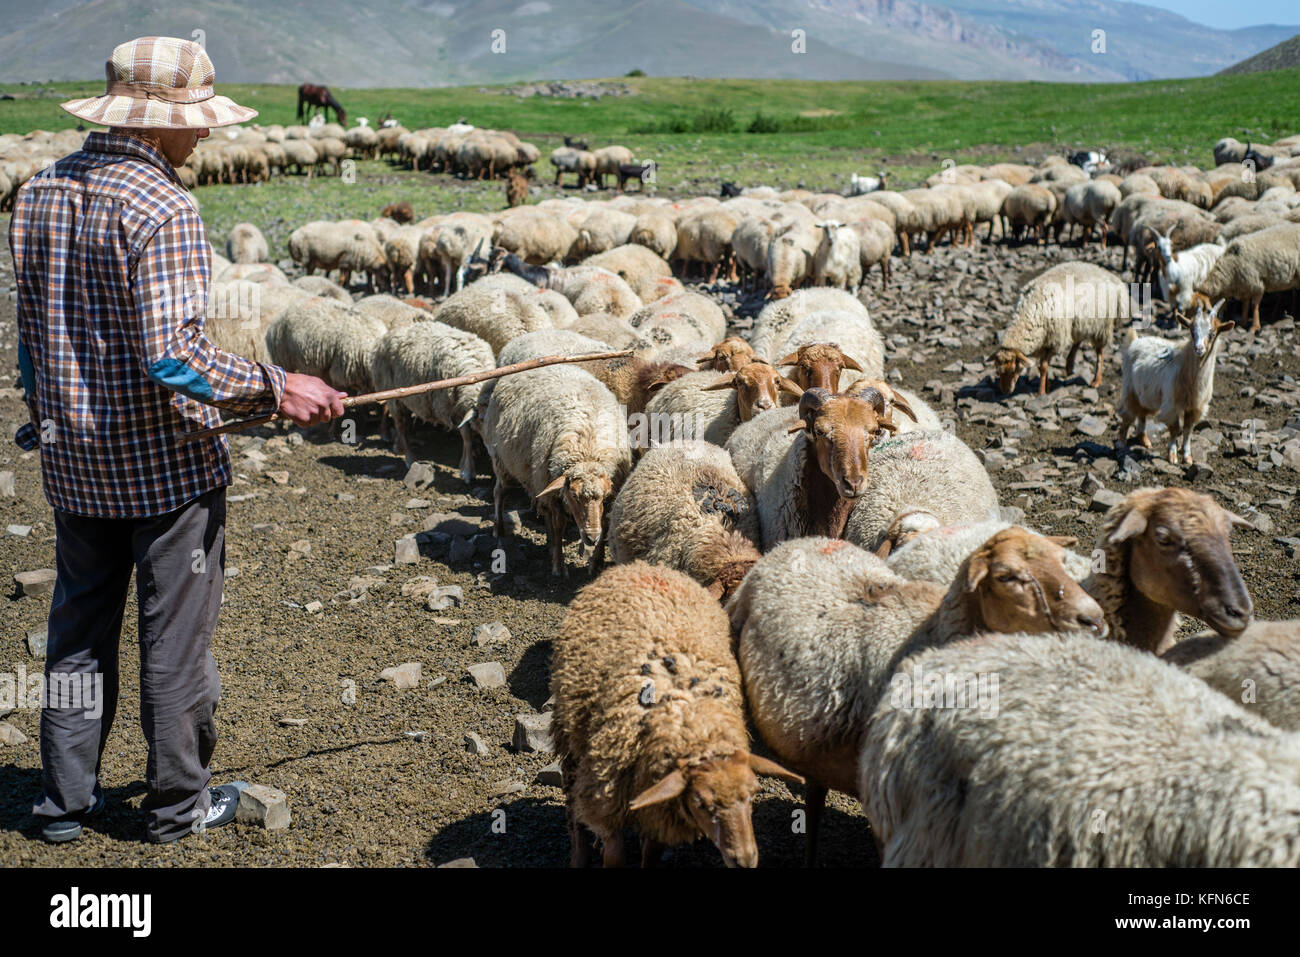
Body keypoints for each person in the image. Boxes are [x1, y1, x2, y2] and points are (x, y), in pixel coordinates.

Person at [9, 36, 345, 843]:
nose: (207, 135)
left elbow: (29, 336)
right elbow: (171, 353)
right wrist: (277, 385)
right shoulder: (161, 206)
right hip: (164, 471)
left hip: (75, 466)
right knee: (174, 642)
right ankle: (176, 806)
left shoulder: (39, 191)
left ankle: (63, 803)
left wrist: (46, 406)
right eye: (196, 121)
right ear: (159, 125)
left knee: (78, 636)